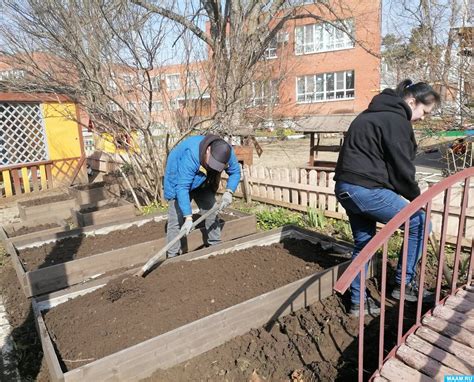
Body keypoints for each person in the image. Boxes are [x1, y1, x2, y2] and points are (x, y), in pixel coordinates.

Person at [334, 79, 440, 316]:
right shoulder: (395, 120)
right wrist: (416, 197)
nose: (423, 118)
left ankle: (358, 302)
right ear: (412, 101)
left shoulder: (370, 114)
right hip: (365, 189)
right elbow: (401, 167)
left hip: (346, 188)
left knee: (365, 244)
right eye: (424, 111)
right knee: (421, 223)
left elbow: (381, 162)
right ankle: (404, 285)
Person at [163, 134, 241, 258]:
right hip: (177, 178)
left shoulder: (227, 151)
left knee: (211, 210)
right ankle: (173, 256)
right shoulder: (191, 154)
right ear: (208, 150)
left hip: (203, 179)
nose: (213, 167)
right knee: (176, 219)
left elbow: (236, 172)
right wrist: (188, 218)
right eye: (212, 163)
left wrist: (229, 191)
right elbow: (182, 187)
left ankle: (215, 245)